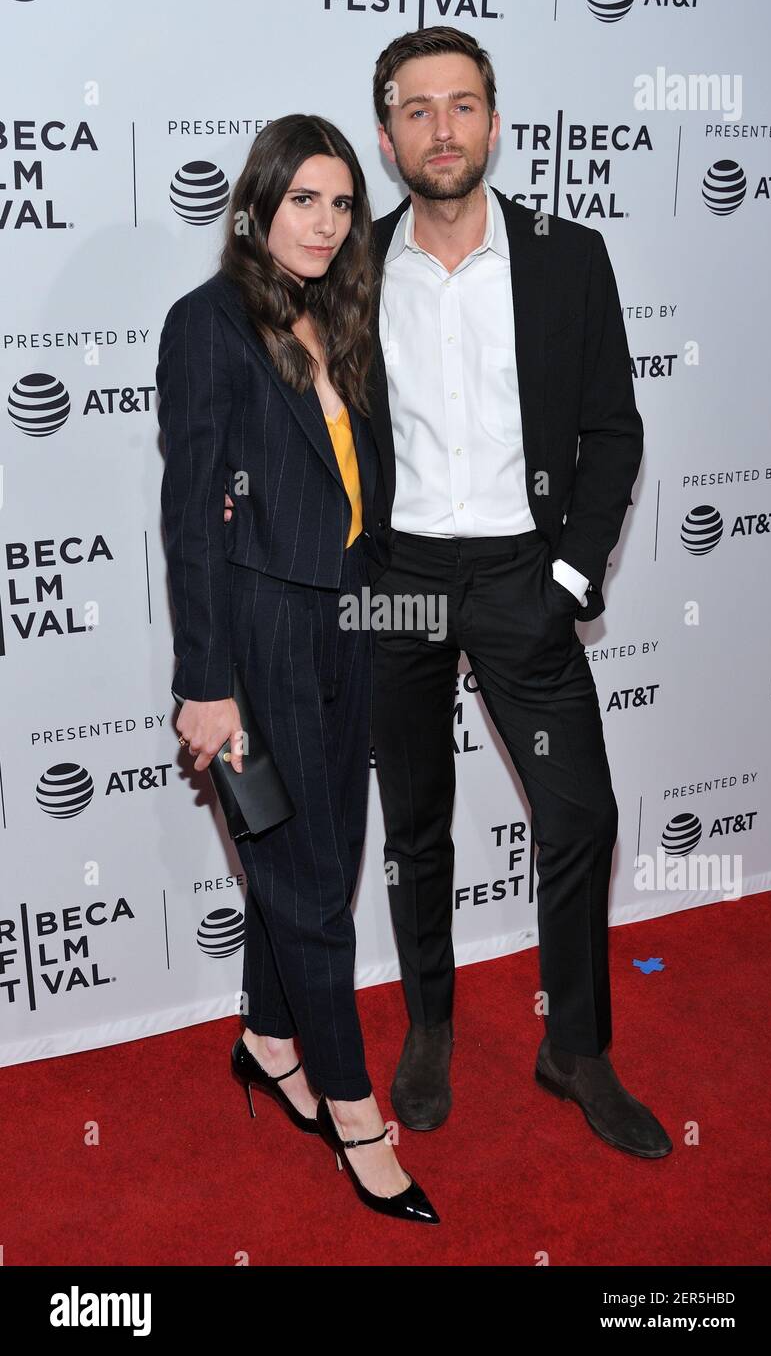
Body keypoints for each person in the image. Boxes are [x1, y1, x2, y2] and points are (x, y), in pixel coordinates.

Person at [362, 26, 671, 1157]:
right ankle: (430, 1024)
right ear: (387, 134)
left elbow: (611, 429)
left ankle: (574, 1047)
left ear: (493, 122)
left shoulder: (564, 256)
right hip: (394, 576)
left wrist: (564, 578)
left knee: (577, 813)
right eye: (414, 108)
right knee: (415, 820)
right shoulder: (352, 267)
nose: (439, 127)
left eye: (460, 105)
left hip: (517, 578)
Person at [157, 114, 438, 1223]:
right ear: (257, 205)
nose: (322, 223)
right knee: (313, 888)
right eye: (300, 201)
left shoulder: (339, 315)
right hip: (258, 638)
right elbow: (188, 520)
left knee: (317, 863)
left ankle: (267, 1036)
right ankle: (352, 1110)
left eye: (337, 202)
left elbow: (358, 488)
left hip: (350, 621)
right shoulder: (206, 325)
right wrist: (204, 680)